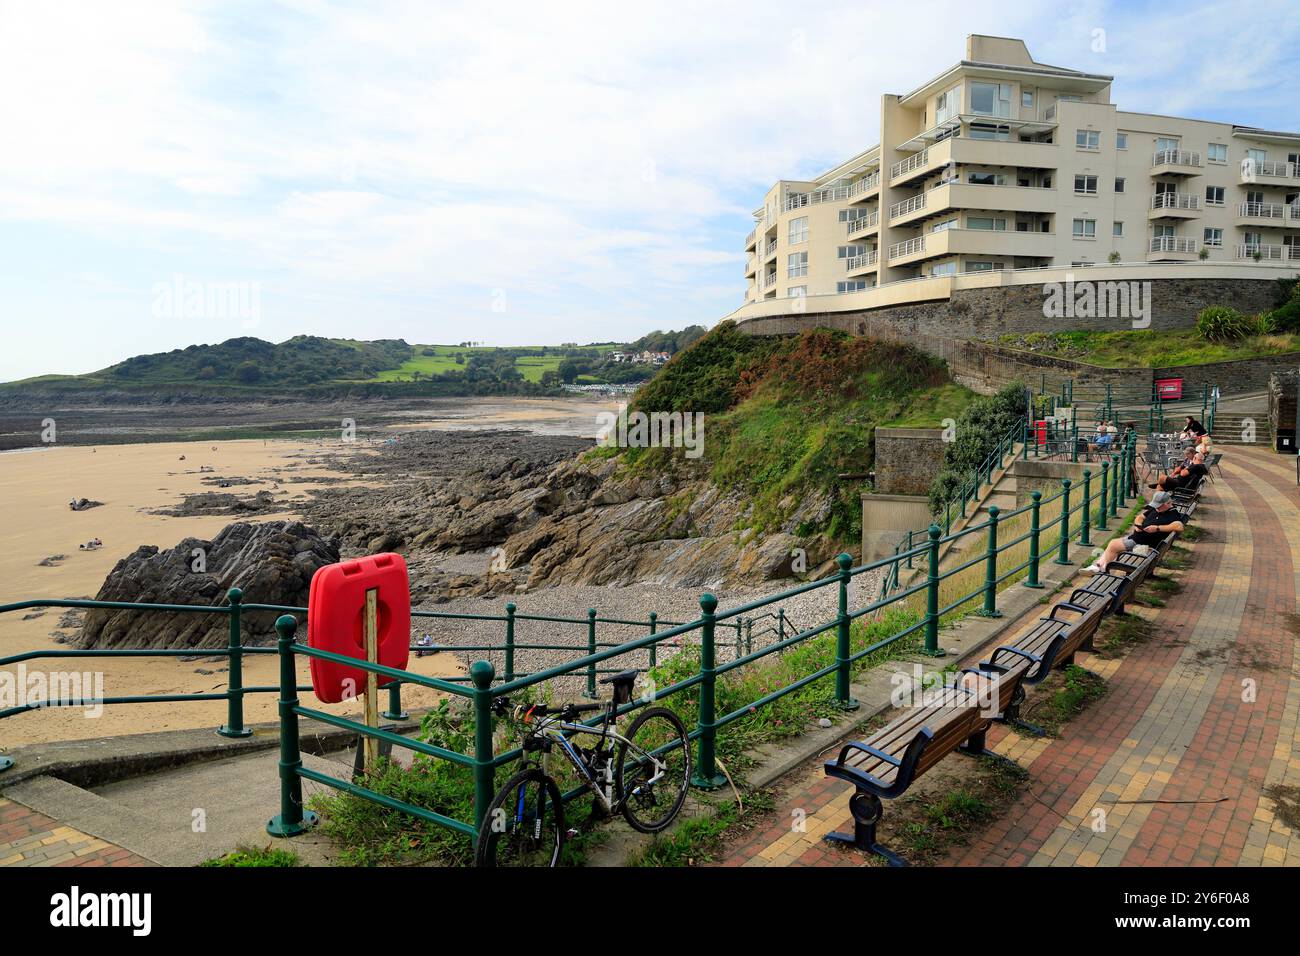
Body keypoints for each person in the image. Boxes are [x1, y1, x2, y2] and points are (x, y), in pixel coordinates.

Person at [1084, 490, 1186, 573]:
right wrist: (1138, 525)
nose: (1156, 507)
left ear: (1168, 504)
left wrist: (1157, 528)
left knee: (1113, 544)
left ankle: (1100, 567)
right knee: (1113, 543)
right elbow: (1140, 517)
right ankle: (1098, 565)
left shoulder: (1173, 514)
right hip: (1137, 537)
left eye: (1159, 506)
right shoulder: (1156, 509)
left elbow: (1179, 526)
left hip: (1143, 544)